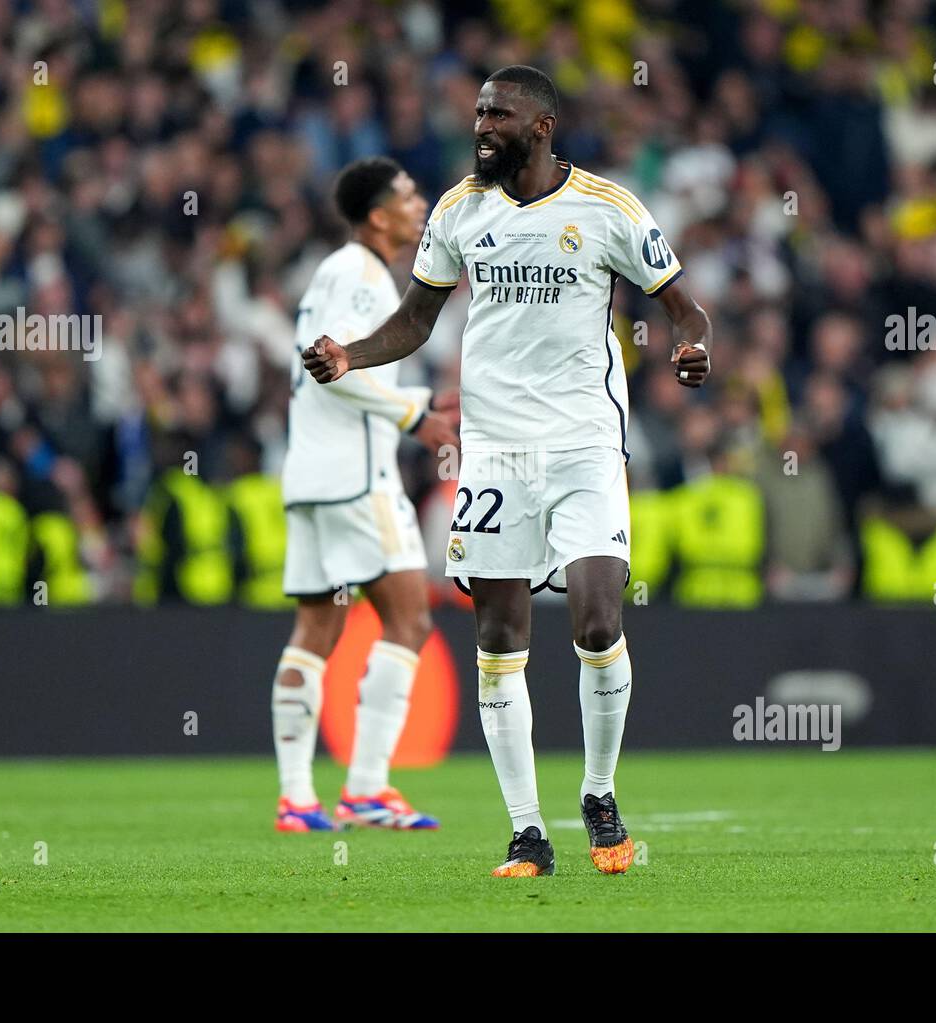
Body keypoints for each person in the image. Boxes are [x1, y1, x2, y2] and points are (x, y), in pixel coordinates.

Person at [303, 67, 710, 875]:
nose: (482, 124)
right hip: (494, 450)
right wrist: (351, 353)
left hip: (586, 440)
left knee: (597, 620)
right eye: (479, 111)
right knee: (498, 636)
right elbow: (417, 320)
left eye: (499, 113)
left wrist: (692, 345)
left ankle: (599, 794)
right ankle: (527, 829)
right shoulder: (460, 209)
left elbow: (684, 306)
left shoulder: (608, 207)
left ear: (543, 126)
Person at [274, 157, 459, 832]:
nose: (420, 204)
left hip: (311, 474)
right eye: (409, 195)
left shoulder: (334, 270)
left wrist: (416, 398)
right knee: (409, 617)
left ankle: (297, 798)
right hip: (356, 473)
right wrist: (415, 416)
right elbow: (334, 366)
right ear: (378, 215)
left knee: (315, 629)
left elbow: (332, 366)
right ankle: (368, 789)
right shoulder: (361, 273)